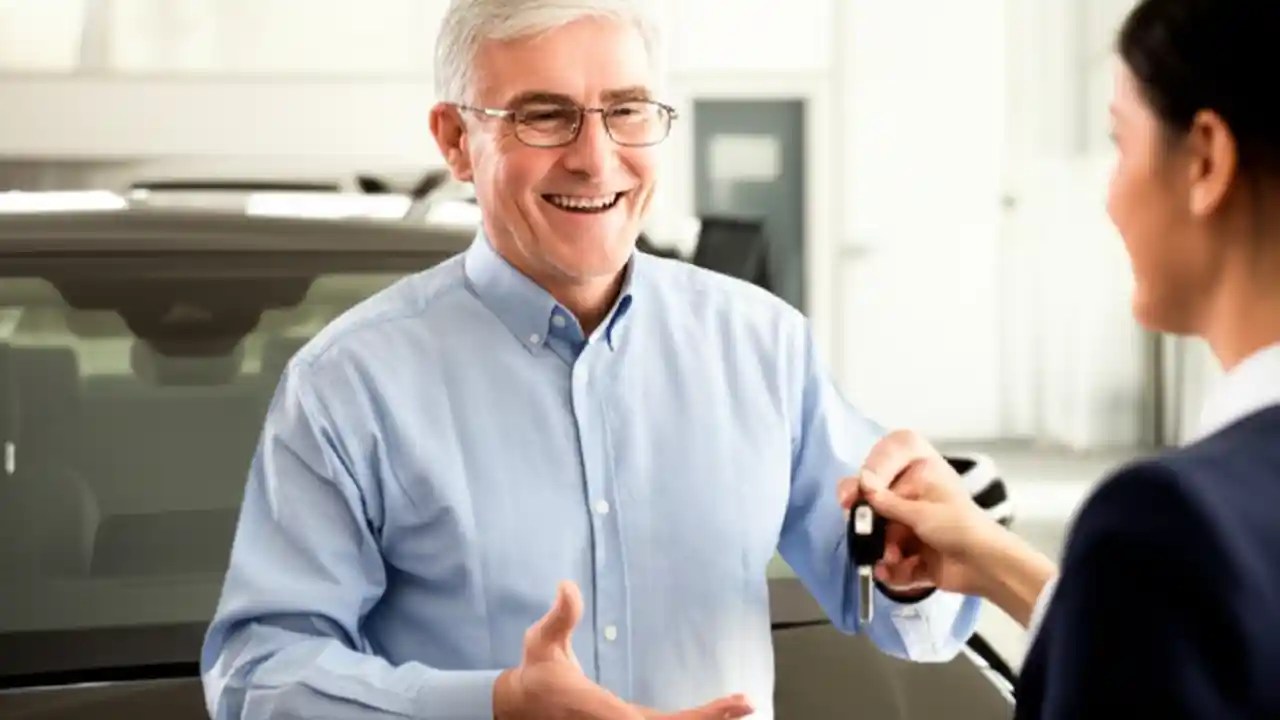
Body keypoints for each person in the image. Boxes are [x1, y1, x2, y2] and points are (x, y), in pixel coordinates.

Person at [199, 1, 993, 718]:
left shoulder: (764, 347)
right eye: (545, 117)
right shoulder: (351, 385)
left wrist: (913, 569)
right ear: (455, 141)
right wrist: (495, 707)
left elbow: (900, 616)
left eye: (626, 111)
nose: (595, 157)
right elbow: (261, 674)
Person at [838, 0, 1280, 717]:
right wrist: (994, 561)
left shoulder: (1170, 523)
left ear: (1205, 159)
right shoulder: (1184, 556)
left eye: (1119, 143)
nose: (1109, 198)